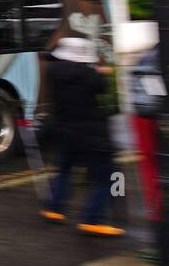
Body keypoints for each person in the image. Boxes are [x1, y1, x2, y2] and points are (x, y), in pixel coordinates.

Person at [41, 36, 122, 236]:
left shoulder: (53, 72)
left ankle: (55, 208)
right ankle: (93, 219)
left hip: (64, 129)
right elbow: (102, 90)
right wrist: (102, 72)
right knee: (107, 176)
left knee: (65, 169)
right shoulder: (89, 75)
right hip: (92, 133)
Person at [129, 48, 163, 223]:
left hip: (143, 113)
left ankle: (156, 208)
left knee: (150, 164)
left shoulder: (150, 55)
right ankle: (157, 209)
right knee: (152, 164)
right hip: (151, 115)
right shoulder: (156, 56)